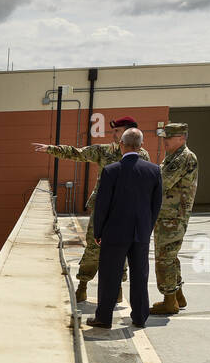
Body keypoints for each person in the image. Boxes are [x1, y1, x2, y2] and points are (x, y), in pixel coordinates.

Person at [33, 116, 152, 302]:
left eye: (117, 131)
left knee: (122, 252)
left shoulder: (142, 155)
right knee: (93, 248)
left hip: (126, 212)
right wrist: (52, 149)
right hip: (102, 210)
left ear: (129, 132)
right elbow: (78, 153)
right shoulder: (103, 151)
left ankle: (117, 287)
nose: (113, 134)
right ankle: (83, 285)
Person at [85, 128, 163, 329]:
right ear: (141, 146)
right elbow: (156, 205)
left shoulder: (111, 170)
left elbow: (102, 206)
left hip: (115, 232)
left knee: (110, 275)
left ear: (121, 144)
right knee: (140, 275)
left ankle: (103, 318)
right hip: (141, 233)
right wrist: (147, 228)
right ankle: (139, 317)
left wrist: (98, 232)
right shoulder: (154, 171)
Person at [151, 123, 199, 315]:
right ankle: (178, 296)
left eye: (169, 138)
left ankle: (169, 301)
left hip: (172, 217)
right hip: (168, 215)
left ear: (182, 138)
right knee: (170, 256)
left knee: (165, 258)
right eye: (164, 137)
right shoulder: (173, 157)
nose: (165, 141)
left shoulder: (184, 158)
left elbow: (161, 183)